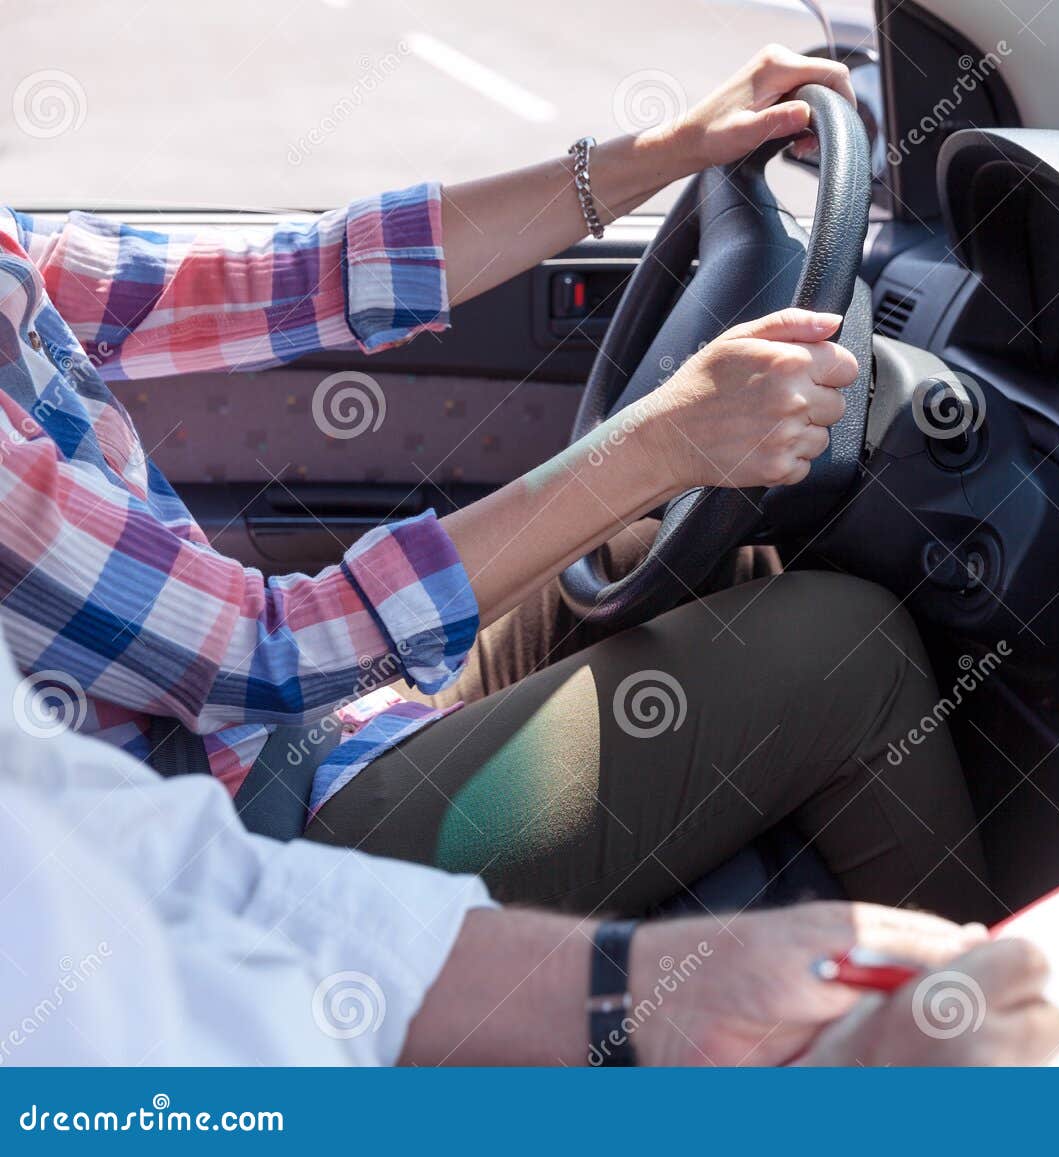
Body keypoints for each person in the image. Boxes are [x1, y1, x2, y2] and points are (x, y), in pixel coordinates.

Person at [0, 46, 992, 922]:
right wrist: (661, 440)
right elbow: (263, 652)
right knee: (846, 650)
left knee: (686, 549)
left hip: (294, 741)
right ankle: (999, 1065)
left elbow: (302, 275)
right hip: (255, 860)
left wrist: (664, 150)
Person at [0, 626, 1059, 1066]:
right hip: (306, 791)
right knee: (846, 644)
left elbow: (167, 860)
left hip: (311, 758)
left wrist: (638, 987)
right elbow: (256, 642)